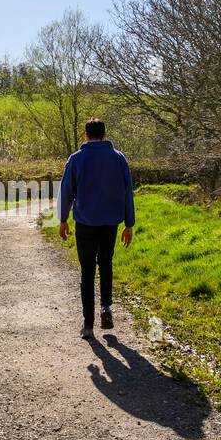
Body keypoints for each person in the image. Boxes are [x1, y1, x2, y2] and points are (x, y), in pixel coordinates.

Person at [57, 119, 135, 340]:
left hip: (85, 222)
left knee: (87, 271)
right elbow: (128, 191)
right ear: (104, 134)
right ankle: (106, 307)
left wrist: (63, 220)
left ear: (85, 135)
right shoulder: (118, 159)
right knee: (106, 263)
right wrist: (129, 223)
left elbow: (66, 192)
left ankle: (88, 324)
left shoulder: (76, 159)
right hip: (110, 222)